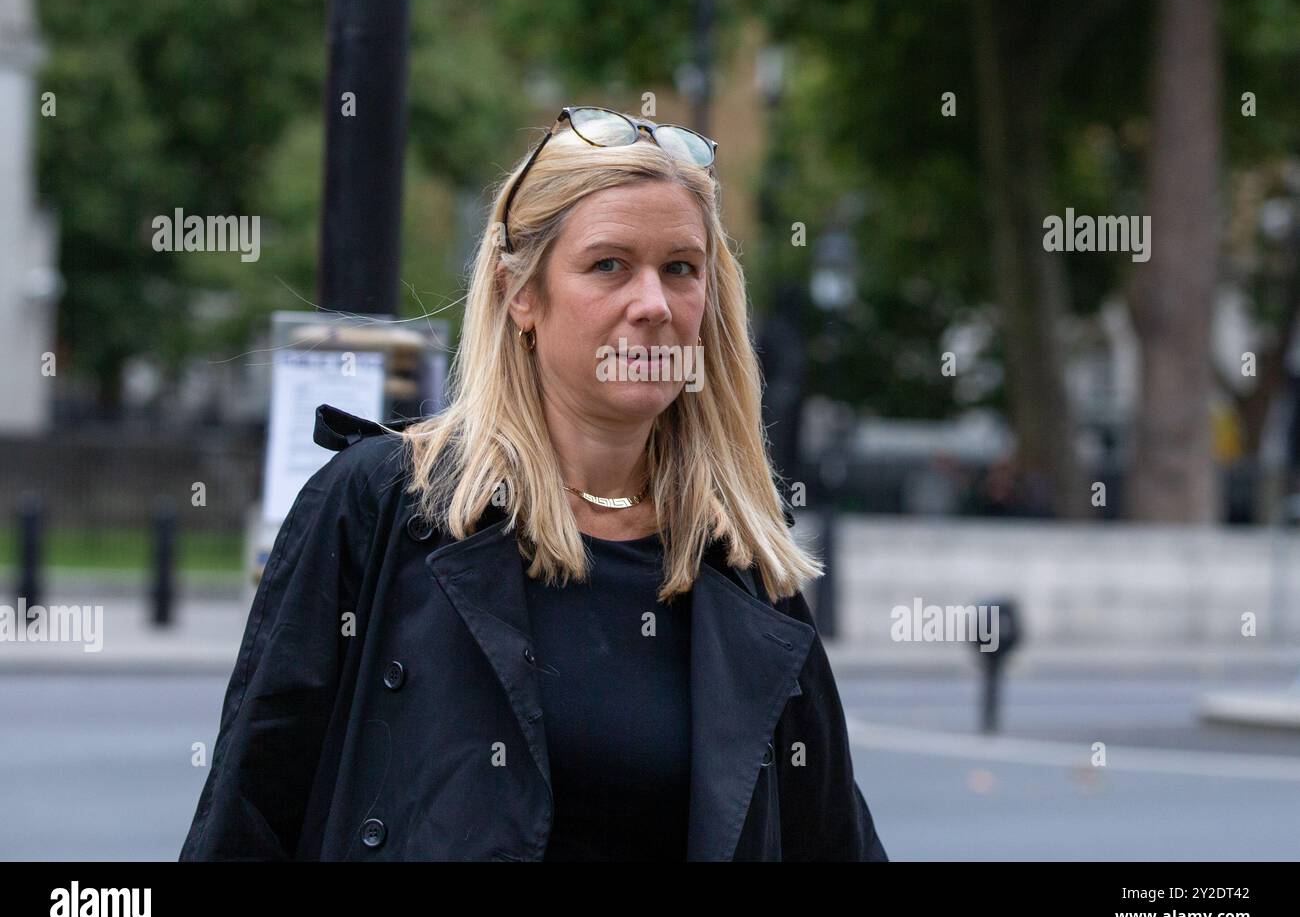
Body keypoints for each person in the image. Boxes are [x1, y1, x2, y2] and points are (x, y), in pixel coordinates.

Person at [179, 105, 888, 861]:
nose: (653, 303)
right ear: (522, 293)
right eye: (609, 264)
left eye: (680, 267)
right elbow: (247, 815)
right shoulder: (384, 504)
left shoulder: (742, 561)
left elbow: (831, 839)